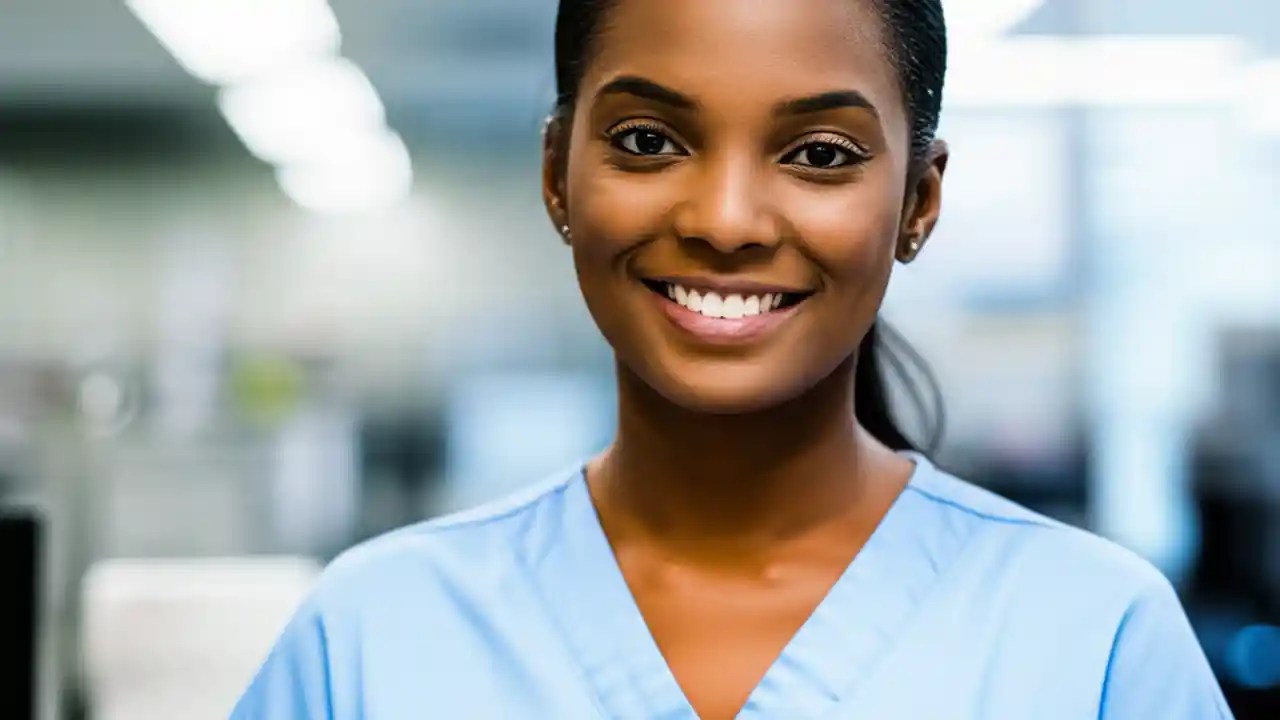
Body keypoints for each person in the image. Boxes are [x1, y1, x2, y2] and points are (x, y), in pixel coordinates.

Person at [232, 0, 1233, 717]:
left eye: (820, 154)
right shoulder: (371, 635)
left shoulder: (1093, 638)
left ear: (917, 204)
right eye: (645, 138)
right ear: (556, 177)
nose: (723, 221)